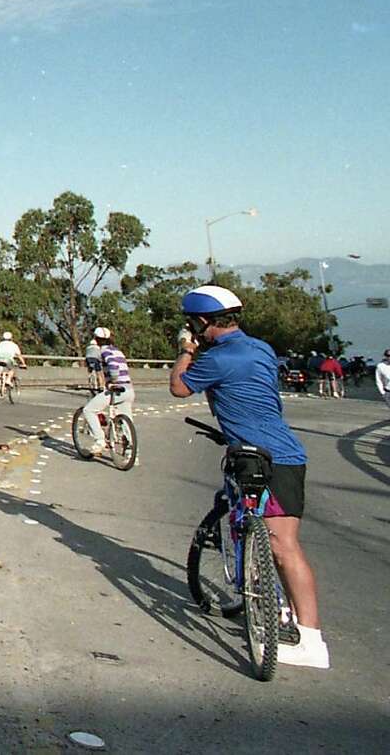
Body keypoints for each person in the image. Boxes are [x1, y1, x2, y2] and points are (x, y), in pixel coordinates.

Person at [169, 284, 327, 669]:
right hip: (277, 452)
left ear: (202, 321)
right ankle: (282, 609)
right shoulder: (260, 348)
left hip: (267, 458)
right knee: (278, 541)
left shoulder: (217, 358)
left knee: (283, 547)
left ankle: (311, 641)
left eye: (192, 322)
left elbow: (179, 387)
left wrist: (186, 350)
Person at [79, 326, 133, 456]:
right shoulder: (118, 351)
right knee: (126, 422)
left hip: (116, 390)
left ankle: (100, 440)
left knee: (89, 410)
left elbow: (113, 368)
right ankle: (131, 453)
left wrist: (111, 381)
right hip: (128, 389)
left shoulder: (104, 351)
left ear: (96, 339)